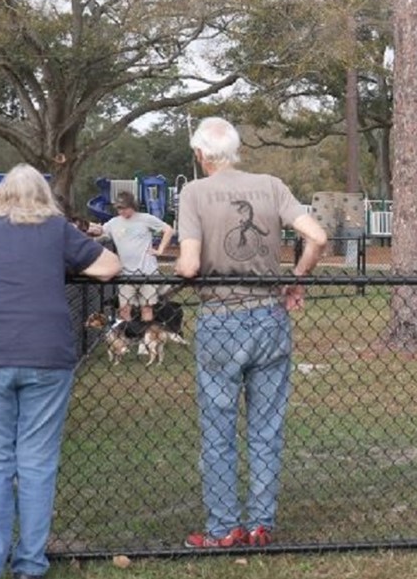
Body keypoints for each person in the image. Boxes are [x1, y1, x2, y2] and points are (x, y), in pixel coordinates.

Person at [0, 164, 120, 579]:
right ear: (44, 198)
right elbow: (108, 267)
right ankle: (30, 563)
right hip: (48, 356)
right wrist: (65, 265)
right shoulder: (58, 231)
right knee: (37, 461)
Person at [175, 116, 327, 549]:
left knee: (218, 428)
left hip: (221, 317)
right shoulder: (271, 185)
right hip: (269, 317)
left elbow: (187, 265)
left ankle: (224, 529)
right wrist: (297, 276)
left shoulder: (194, 193)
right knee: (265, 428)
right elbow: (316, 236)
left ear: (200, 155)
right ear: (236, 150)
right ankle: (262, 526)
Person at [101, 191, 174, 323]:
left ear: (132, 206)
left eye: (124, 207)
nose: (121, 211)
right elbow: (100, 232)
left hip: (147, 273)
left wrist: (160, 250)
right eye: (118, 208)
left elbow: (168, 230)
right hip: (125, 274)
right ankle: (128, 337)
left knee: (146, 308)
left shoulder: (146, 219)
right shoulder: (113, 223)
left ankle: (146, 339)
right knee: (124, 309)